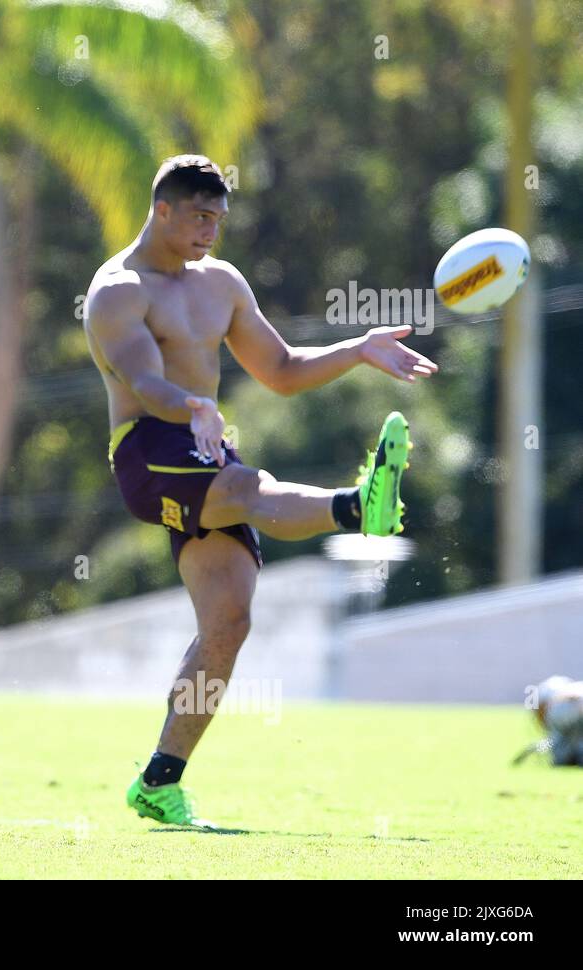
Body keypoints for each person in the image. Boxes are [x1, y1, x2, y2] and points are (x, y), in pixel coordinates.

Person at [84, 155, 438, 827]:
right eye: (197, 217)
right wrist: (192, 403)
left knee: (228, 623)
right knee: (249, 488)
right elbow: (142, 381)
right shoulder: (118, 291)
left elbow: (279, 369)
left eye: (218, 219)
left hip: (202, 445)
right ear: (161, 210)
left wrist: (359, 347)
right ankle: (359, 506)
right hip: (150, 451)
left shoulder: (221, 283)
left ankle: (159, 782)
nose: (210, 232)